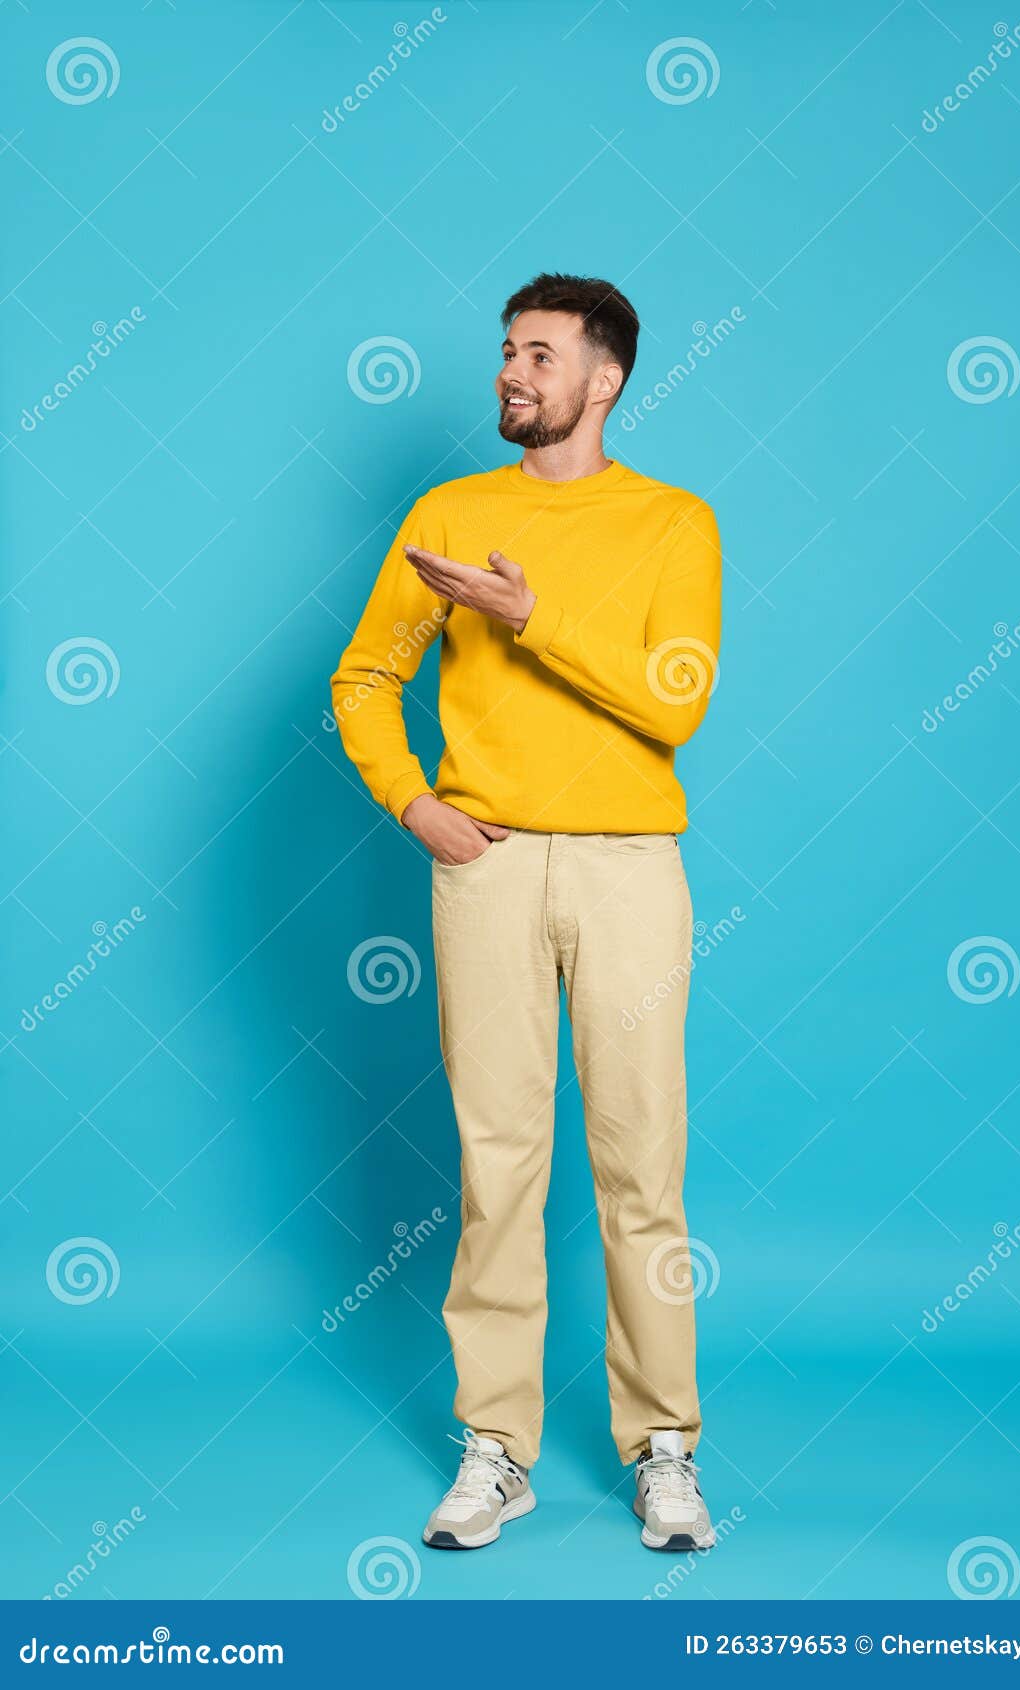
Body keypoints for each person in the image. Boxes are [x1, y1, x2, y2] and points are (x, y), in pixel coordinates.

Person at [330, 272, 721, 1553]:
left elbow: (674, 704)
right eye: (506, 351)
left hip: (625, 871)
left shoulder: (674, 522)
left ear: (601, 379)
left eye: (539, 355)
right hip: (484, 870)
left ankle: (663, 1448)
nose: (512, 373)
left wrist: (527, 617)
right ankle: (497, 1449)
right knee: (500, 1169)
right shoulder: (447, 512)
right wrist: (411, 804)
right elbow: (366, 674)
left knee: (638, 1168)